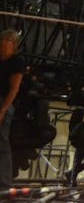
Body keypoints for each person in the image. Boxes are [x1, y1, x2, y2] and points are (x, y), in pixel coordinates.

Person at [0, 29, 24, 189]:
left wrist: (3, 110)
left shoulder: (16, 62)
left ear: (13, 44)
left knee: (2, 142)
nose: (1, 42)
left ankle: (4, 183)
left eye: (4, 39)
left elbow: (14, 88)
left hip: (3, 103)